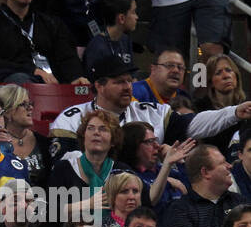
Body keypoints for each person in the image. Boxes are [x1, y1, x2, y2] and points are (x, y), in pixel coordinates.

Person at [48, 55, 250, 168]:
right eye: (119, 82)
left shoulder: (153, 112)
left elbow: (194, 123)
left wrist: (233, 113)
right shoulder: (71, 118)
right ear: (99, 86)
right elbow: (63, 164)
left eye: (129, 80)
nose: (128, 87)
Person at [166, 144, 241, 227]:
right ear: (205, 172)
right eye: (222, 163)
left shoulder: (240, 203)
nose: (230, 166)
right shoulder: (180, 208)